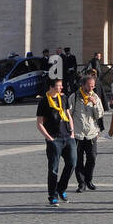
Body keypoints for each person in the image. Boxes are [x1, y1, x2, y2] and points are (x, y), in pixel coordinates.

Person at [36, 77, 76, 207]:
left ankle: (61, 188)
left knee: (72, 163)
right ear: (51, 87)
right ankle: (52, 195)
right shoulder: (43, 102)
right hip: (54, 139)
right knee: (53, 168)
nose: (61, 88)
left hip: (67, 136)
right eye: (59, 86)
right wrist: (48, 137)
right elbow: (39, 123)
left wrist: (72, 131)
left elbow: (68, 114)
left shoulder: (63, 98)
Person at [70, 70, 105, 192]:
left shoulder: (95, 97)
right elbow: (68, 114)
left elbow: (100, 115)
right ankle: (81, 183)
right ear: (83, 85)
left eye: (93, 86)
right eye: (89, 86)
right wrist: (70, 130)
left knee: (92, 157)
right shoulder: (74, 97)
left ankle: (88, 179)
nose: (91, 88)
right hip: (78, 134)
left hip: (91, 133)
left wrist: (95, 104)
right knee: (78, 160)